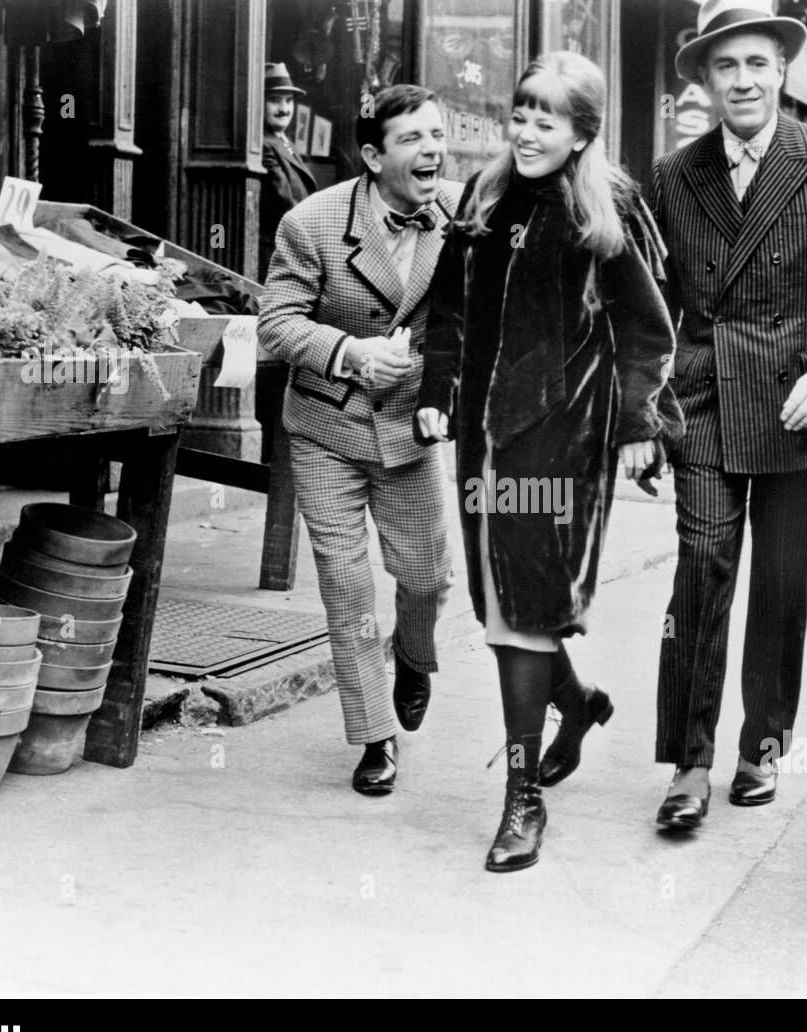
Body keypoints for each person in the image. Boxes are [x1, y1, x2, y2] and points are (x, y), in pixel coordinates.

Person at [416, 52, 680, 872]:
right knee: (505, 605)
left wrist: (640, 423)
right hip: (479, 435)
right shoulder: (483, 197)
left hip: (563, 437)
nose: (528, 130)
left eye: (549, 119)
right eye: (522, 113)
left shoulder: (607, 211)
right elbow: (450, 310)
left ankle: (522, 797)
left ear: (582, 134)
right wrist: (436, 387)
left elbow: (648, 331)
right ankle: (579, 702)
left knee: (522, 611)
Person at [648, 0, 807, 828]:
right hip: (706, 399)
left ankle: (763, 743)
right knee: (701, 566)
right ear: (707, 80)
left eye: (757, 63)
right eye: (727, 66)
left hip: (798, 398)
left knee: (783, 583)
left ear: (781, 70)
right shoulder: (674, 176)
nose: (744, 80)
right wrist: (645, 400)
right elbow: (647, 297)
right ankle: (687, 759)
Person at [258, 85, 462, 796]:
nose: (432, 149)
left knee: (425, 578)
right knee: (347, 587)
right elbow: (276, 325)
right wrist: (350, 351)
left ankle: (414, 655)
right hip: (325, 427)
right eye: (412, 139)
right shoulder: (310, 223)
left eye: (437, 135)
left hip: (410, 430)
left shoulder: (461, 218)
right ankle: (375, 737)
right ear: (374, 156)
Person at [258, 62, 318, 282]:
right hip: (275, 250)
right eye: (275, 100)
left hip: (291, 246)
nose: (284, 109)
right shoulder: (264, 144)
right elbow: (283, 198)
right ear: (260, 103)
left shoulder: (284, 141)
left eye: (289, 100)